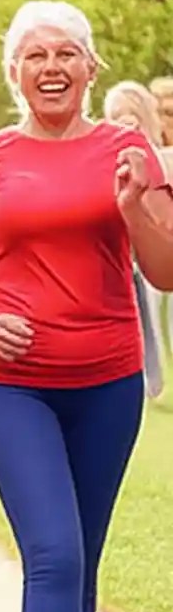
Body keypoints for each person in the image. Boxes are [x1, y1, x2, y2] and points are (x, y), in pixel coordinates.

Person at [0, 0, 173, 612]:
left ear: (91, 66)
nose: (51, 66)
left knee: (82, 566)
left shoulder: (129, 150)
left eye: (66, 53)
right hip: (13, 387)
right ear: (13, 71)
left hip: (108, 385)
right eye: (36, 56)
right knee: (54, 556)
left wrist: (131, 210)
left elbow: (167, 272)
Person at [103, 81, 168, 398]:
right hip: (125, 260)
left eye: (131, 116)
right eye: (117, 116)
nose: (125, 123)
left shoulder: (163, 162)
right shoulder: (106, 164)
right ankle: (147, 381)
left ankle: (154, 380)